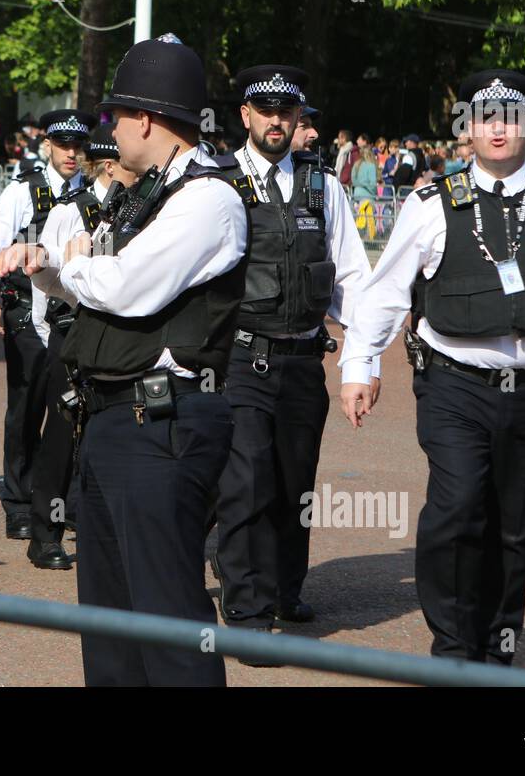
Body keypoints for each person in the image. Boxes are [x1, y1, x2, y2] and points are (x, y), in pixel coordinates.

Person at [339, 69, 525, 665]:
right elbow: (386, 290)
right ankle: (452, 646)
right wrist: (359, 363)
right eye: (485, 118)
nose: (498, 129)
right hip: (454, 387)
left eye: (511, 117)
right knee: (456, 511)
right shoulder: (430, 204)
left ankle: (497, 650)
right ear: (468, 129)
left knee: (515, 527)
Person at [56, 34, 248, 686]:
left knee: (167, 621)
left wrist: (75, 265)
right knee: (110, 626)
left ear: (145, 118)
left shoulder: (207, 197)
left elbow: (124, 288)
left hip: (162, 419)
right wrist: (52, 269)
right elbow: (97, 280)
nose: (110, 128)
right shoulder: (151, 193)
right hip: (116, 418)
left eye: (116, 115)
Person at [207, 66, 379, 665]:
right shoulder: (218, 183)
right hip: (241, 358)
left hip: (304, 360)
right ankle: (246, 610)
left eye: (288, 110)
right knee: (246, 482)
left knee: (293, 482)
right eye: (266, 109)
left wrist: (363, 359)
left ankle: (283, 590)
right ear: (245, 116)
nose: (277, 120)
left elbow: (352, 277)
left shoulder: (321, 184)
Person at [0, 123, 137, 569]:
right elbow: (44, 282)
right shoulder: (70, 210)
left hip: (116, 333)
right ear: (111, 164)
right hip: (71, 332)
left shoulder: (135, 208)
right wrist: (46, 337)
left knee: (110, 430)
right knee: (60, 432)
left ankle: (100, 525)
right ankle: (45, 534)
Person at [0, 109, 88, 539]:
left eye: (79, 145)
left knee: (71, 410)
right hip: (25, 315)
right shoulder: (24, 190)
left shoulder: (94, 193)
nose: (72, 153)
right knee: (25, 410)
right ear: (49, 146)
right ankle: (18, 503)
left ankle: (61, 500)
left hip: (74, 317)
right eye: (64, 145)